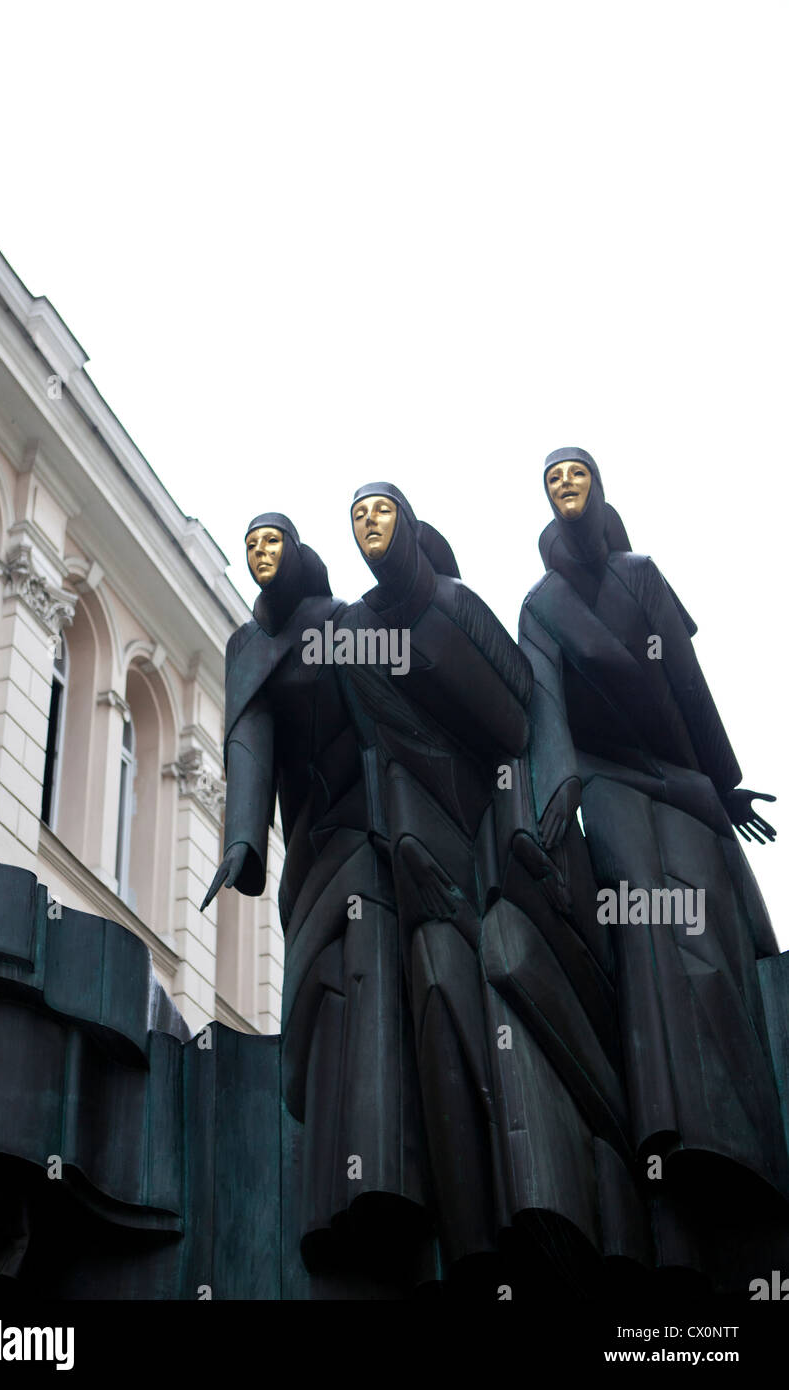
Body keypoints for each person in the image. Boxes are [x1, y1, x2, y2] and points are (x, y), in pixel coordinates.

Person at [337, 483, 645, 1293]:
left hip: (519, 835)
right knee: (437, 966)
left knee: (506, 952)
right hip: (445, 835)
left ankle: (564, 1208)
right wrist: (408, 842)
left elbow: (527, 721)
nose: (370, 527)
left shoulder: (459, 608)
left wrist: (536, 811)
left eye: (384, 512)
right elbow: (392, 753)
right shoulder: (358, 642)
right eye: (358, 516)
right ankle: (471, 1239)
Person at [519, 447, 788, 1284]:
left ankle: (742, 1135)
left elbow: (691, 685)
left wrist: (725, 781)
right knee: (643, 920)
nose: (567, 488)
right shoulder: (541, 603)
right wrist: (555, 783)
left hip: (679, 778)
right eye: (553, 479)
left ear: (599, 489)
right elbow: (545, 699)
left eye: (578, 476)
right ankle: (671, 1135)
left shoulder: (641, 574)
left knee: (708, 936)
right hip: (605, 778)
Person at [202, 512, 432, 1284]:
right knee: (317, 996)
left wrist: (405, 823)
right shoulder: (247, 646)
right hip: (307, 847)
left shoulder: (338, 623)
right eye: (252, 547)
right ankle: (331, 1198)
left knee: (365, 986)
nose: (263, 556)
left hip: (364, 833)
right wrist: (241, 841)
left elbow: (387, 721)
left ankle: (385, 1185)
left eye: (274, 542)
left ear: (298, 553)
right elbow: (247, 740)